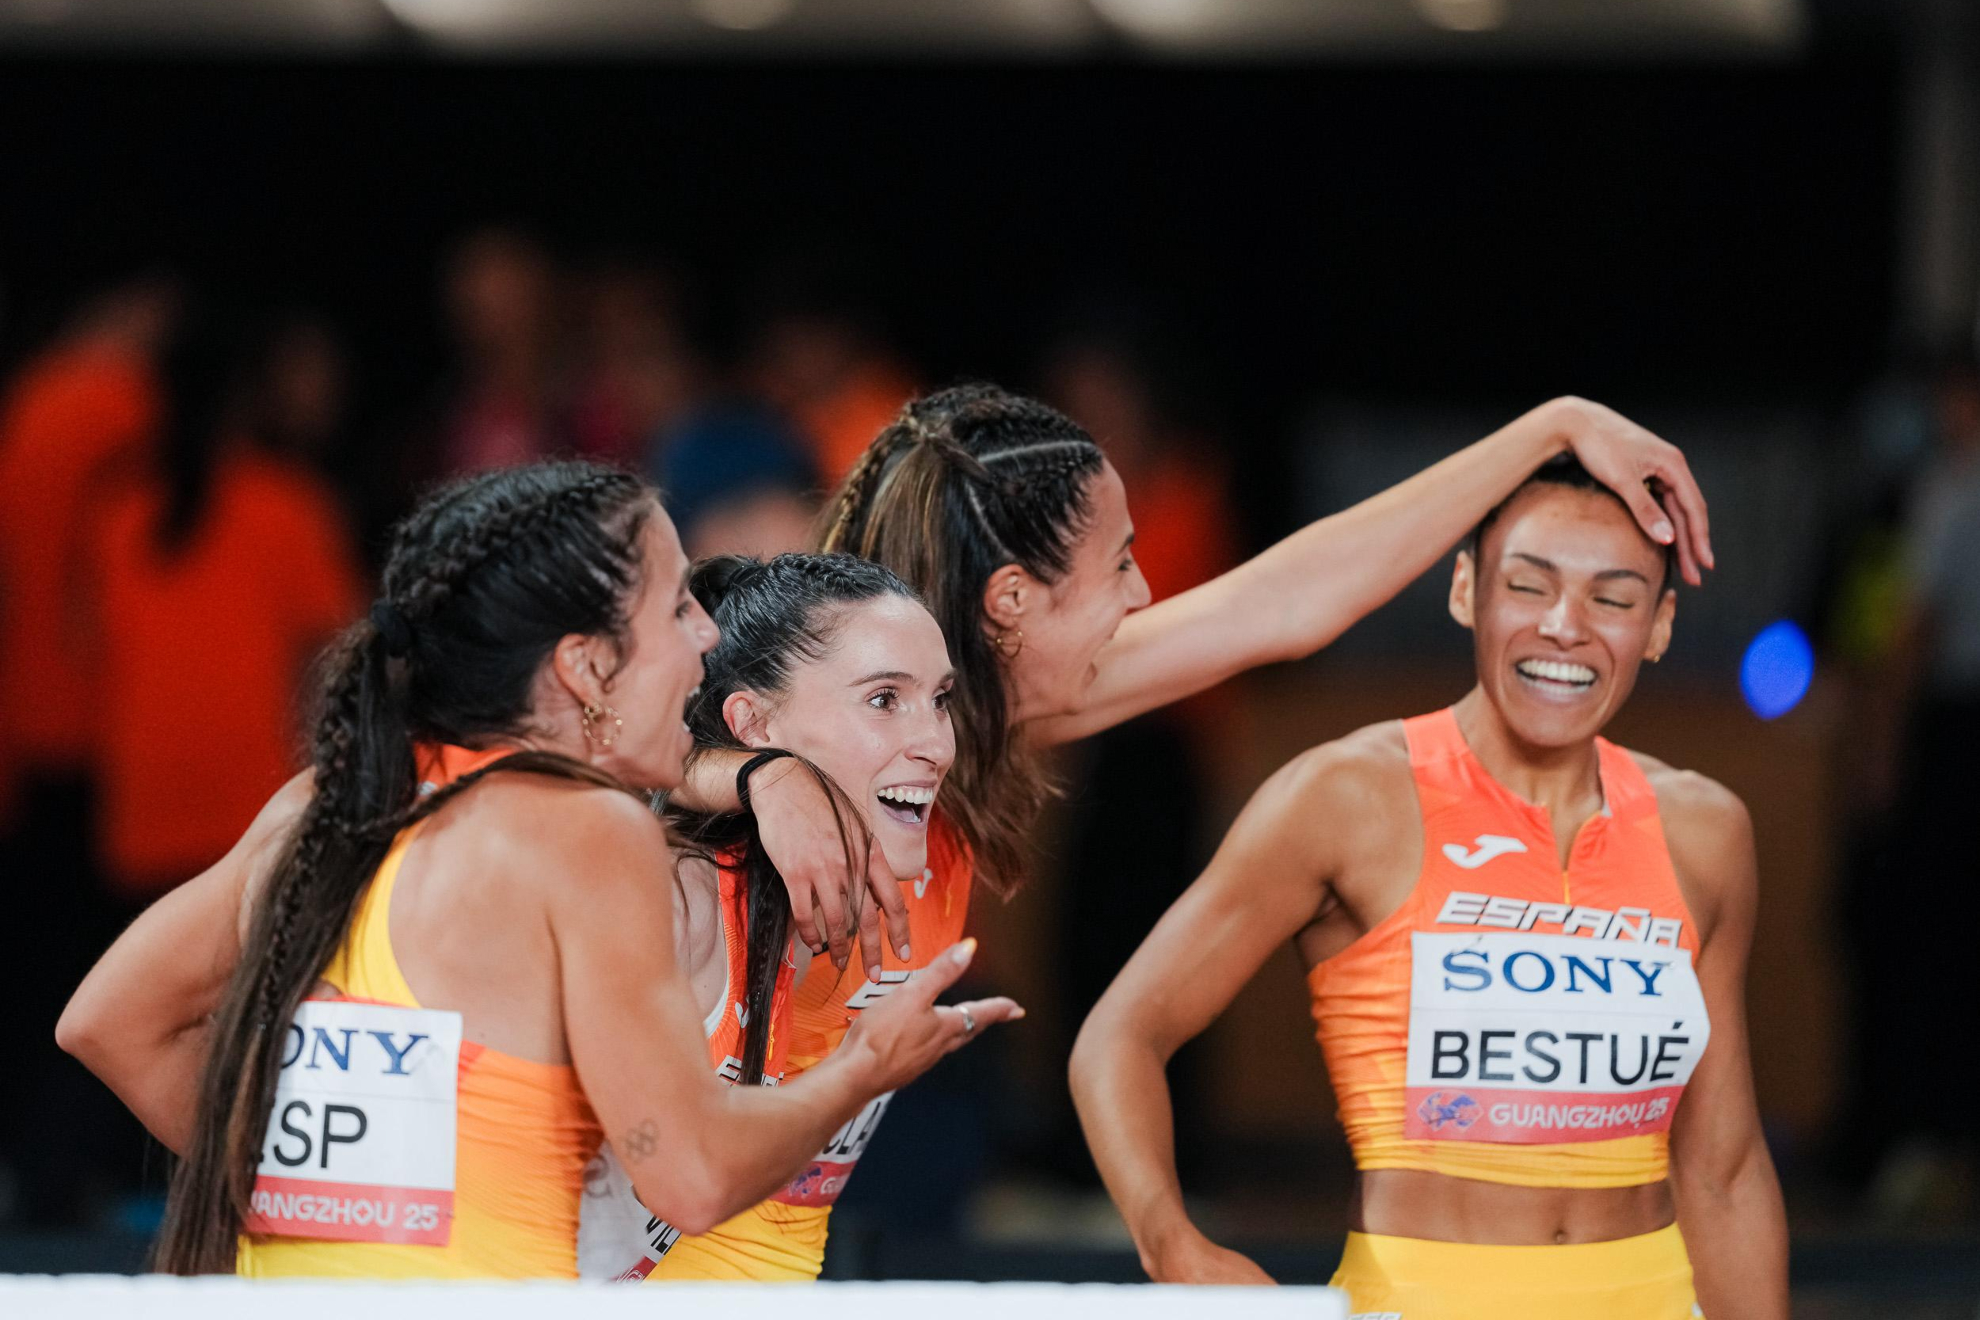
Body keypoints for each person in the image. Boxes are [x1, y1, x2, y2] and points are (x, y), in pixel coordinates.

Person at [661, 385, 1714, 1279]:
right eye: (1121, 565)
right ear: (1015, 601)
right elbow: (545, 771)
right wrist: (747, 775)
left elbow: (1285, 605)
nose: (1149, 589)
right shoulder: (787, 750)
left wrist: (1551, 426)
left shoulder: (956, 729)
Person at [57, 462, 1013, 1276]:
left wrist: (317, 1203)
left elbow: (109, 1023)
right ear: (586, 670)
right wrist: (863, 1067)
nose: (709, 638)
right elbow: (693, 1176)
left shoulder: (327, 798)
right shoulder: (588, 835)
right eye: (678, 605)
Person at [1069, 457, 1786, 1318]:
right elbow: (1120, 1037)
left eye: (1614, 599)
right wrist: (1172, 1243)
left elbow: (1725, 1168)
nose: (1566, 627)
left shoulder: (1705, 831)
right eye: (1529, 586)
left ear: (1660, 625)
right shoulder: (1345, 797)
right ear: (1464, 591)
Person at [577, 551, 964, 1281]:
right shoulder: (668, 899)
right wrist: (754, 773)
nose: (937, 745)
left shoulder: (907, 875)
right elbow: (521, 771)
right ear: (751, 721)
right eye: (884, 699)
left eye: (940, 700)